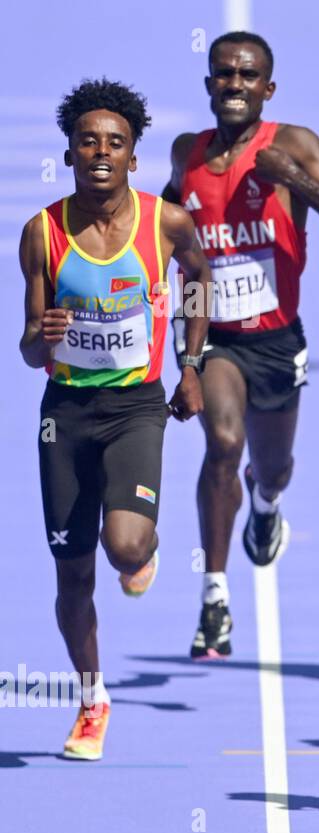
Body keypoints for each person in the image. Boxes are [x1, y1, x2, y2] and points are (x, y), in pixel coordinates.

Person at [164, 31, 319, 660]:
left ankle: (266, 501)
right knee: (223, 444)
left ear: (268, 88)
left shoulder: (294, 144)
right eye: (224, 73)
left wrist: (294, 180)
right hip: (213, 337)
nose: (235, 84)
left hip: (277, 339)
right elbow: (160, 227)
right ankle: (214, 598)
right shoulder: (186, 153)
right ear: (209, 83)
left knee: (273, 465)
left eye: (248, 75)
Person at [20, 79, 211, 759]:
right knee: (72, 575)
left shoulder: (168, 224)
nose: (101, 152)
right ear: (69, 153)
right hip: (66, 414)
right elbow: (29, 349)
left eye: (115, 143)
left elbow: (198, 278)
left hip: (135, 405)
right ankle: (92, 698)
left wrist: (192, 362)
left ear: (133, 156)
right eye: (88, 142)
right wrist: (43, 336)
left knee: (125, 547)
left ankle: (142, 549)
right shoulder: (42, 233)